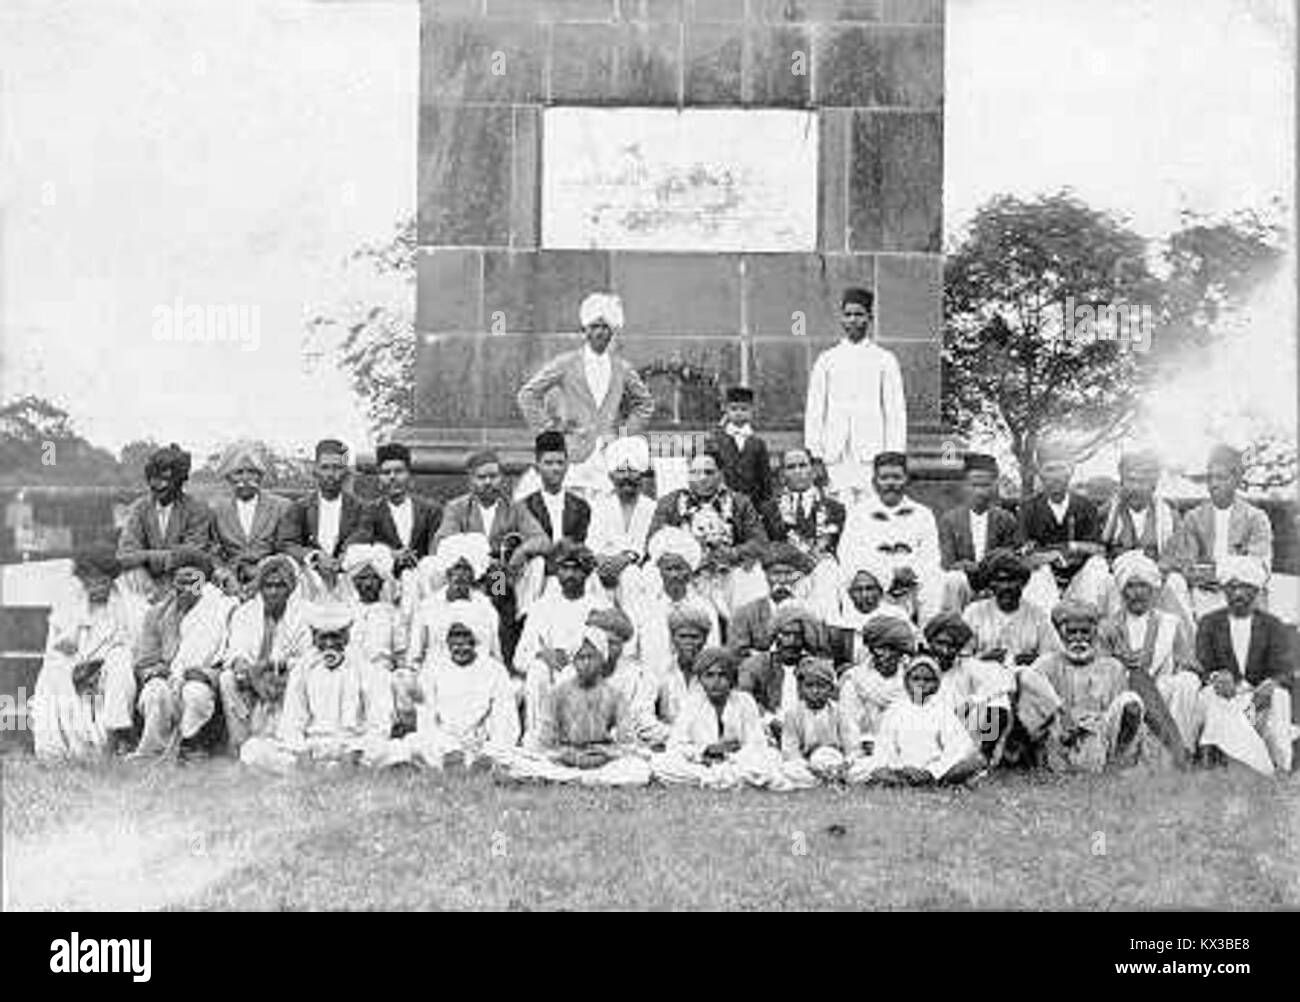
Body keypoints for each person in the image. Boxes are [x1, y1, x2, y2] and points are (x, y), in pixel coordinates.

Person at [516, 292, 656, 498]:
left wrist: (623, 435)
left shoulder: (622, 368)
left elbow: (645, 404)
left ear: (613, 332)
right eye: (594, 327)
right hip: (573, 455)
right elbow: (528, 395)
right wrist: (550, 434)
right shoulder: (566, 363)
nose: (600, 332)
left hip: (608, 456)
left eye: (605, 327)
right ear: (585, 331)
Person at [239, 603, 400, 773]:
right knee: (252, 750)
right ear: (314, 637)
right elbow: (292, 722)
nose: (329, 644)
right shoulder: (303, 668)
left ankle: (342, 768)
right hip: (313, 749)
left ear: (347, 636)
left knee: (398, 750)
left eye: (335, 637)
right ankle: (323, 769)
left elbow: (380, 723)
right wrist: (301, 752)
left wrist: (357, 750)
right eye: (323, 637)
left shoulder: (366, 667)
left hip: (354, 747)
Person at [433, 449, 550, 662]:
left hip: (502, 574)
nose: (488, 482)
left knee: (535, 565)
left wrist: (522, 551)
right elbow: (442, 542)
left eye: (494, 476)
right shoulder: (457, 508)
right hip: (468, 575)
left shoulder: (514, 508)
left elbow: (542, 540)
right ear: (470, 480)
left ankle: (519, 626)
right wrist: (475, 556)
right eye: (482, 477)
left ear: (501, 478)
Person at [32, 547, 147, 760]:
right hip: (76, 669)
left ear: (112, 580)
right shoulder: (69, 606)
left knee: (119, 662)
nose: (95, 587)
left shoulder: (129, 607)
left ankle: (115, 737)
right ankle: (56, 749)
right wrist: (74, 666)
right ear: (82, 580)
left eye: (101, 581)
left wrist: (100, 664)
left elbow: (134, 648)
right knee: (51, 675)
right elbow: (55, 651)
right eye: (89, 581)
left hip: (108, 671)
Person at [499, 628, 652, 787]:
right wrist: (564, 755)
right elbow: (544, 741)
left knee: (639, 769)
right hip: (564, 761)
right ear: (573, 660)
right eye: (580, 658)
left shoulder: (615, 695)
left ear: (602, 659)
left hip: (603, 762)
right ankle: (582, 780)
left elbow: (627, 743)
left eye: (591, 657)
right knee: (514, 757)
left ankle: (572, 780)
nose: (586, 663)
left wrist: (605, 755)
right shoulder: (558, 694)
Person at [130, 548, 237, 760]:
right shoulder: (156, 614)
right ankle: (153, 752)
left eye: (192, 579)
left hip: (201, 681)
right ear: (171, 581)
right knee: (155, 692)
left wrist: (206, 674)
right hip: (166, 680)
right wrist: (155, 672)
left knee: (195, 692)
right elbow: (144, 662)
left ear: (205, 582)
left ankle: (191, 747)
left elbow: (228, 658)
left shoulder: (221, 609)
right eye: (180, 580)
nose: (186, 587)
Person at [804, 286, 907, 504]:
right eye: (847, 315)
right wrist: (815, 455)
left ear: (870, 318)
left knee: (869, 510)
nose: (852, 320)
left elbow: (895, 412)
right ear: (841, 319)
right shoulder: (826, 359)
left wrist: (893, 457)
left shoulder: (885, 359)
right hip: (835, 453)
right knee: (835, 510)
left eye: (859, 314)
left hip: (871, 453)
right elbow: (815, 411)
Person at [1096, 551, 1200, 765]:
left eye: (1142, 586)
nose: (1137, 593)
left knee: (1188, 682)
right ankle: (1176, 752)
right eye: (1131, 586)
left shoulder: (1170, 623)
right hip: (1125, 691)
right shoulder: (1108, 627)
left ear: (1153, 589)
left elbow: (1188, 663)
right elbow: (1100, 669)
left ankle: (1181, 749)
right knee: (1134, 684)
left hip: (1164, 691)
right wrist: (1120, 662)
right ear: (1122, 590)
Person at [515, 541, 629, 736]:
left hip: (586, 675)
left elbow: (611, 654)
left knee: (573, 675)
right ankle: (538, 738)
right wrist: (542, 654)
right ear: (556, 572)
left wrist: (580, 663)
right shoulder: (541, 607)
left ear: (585, 573)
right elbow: (519, 658)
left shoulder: (600, 607)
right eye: (564, 569)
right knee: (536, 672)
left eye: (575, 569)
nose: (569, 575)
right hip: (549, 673)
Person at [1194, 556, 1295, 775]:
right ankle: (1212, 762)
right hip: (1222, 694)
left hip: (1256, 701)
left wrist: (1271, 683)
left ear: (1257, 591)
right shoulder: (1209, 623)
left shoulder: (1273, 625)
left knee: (1280, 698)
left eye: (1246, 588)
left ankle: (1280, 767)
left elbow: (1286, 668)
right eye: (1232, 587)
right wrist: (1216, 676)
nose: (1238, 594)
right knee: (1213, 697)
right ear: (1224, 591)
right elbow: (1201, 662)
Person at [648, 448, 768, 620]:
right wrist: (688, 556)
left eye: (709, 472)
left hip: (728, 572)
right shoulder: (670, 502)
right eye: (695, 472)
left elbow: (759, 541)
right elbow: (654, 541)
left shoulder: (739, 502)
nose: (702, 478)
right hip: (686, 575)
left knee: (753, 574)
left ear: (720, 474)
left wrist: (734, 553)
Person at [1034, 601, 1145, 774]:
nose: (1079, 638)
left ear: (1094, 633)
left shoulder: (1112, 667)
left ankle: (1117, 763)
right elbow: (1035, 709)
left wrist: (1089, 727)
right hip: (1059, 739)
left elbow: (1115, 715)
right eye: (1072, 632)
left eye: (1084, 632)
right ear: (1061, 634)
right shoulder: (1045, 665)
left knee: (1131, 701)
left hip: (1099, 737)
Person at [216, 555, 310, 758]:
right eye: (267, 586)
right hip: (252, 675)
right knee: (227, 679)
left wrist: (273, 667)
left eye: (280, 586)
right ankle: (239, 742)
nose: (273, 591)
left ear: (291, 588)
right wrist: (245, 667)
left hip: (287, 677)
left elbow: (308, 657)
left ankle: (289, 739)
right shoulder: (245, 612)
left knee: (299, 678)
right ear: (260, 587)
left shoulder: (303, 614)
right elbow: (236, 651)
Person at [651, 647, 784, 790]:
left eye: (722, 675)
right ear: (700, 679)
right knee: (662, 763)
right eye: (709, 675)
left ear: (731, 679)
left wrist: (728, 756)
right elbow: (675, 745)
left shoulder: (745, 701)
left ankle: (715, 780)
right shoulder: (691, 703)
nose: (716, 681)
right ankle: (725, 780)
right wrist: (705, 750)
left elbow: (756, 744)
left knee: (771, 757)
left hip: (736, 763)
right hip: (702, 765)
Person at [838, 452, 942, 623]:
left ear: (906, 480)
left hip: (913, 585)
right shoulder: (859, 513)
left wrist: (911, 573)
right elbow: (849, 555)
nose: (891, 483)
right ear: (874, 482)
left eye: (896, 477)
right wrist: (887, 576)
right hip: (874, 585)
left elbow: (931, 557)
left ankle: (926, 639)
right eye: (884, 478)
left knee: (935, 581)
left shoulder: (923, 514)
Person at [401, 621, 520, 770]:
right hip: (443, 741)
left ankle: (480, 762)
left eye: (465, 644)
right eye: (455, 644)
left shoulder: (494, 669)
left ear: (474, 644)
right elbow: (426, 716)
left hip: (479, 742)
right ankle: (453, 759)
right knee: (413, 742)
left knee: (505, 754)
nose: (460, 650)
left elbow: (504, 717)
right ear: (448, 645)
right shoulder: (433, 668)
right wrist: (445, 744)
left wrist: (490, 746)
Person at [1174, 445, 1274, 619]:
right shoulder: (1193, 518)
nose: (1213, 484)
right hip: (1204, 592)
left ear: (1236, 480)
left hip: (1242, 592)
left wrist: (1220, 573)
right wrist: (1232, 568)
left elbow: (1259, 567)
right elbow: (1187, 565)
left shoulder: (1256, 518)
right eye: (1210, 478)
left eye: (1221, 478)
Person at [1018, 441, 1114, 618]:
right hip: (1046, 580)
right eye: (1050, 469)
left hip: (1079, 577)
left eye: (1061, 468)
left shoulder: (1085, 506)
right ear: (1040, 472)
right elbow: (1024, 555)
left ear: (1070, 471)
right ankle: (1047, 631)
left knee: (1098, 566)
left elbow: (1098, 549)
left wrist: (1069, 547)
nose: (1056, 476)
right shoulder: (1028, 508)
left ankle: (1088, 625)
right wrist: (1047, 557)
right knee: (1038, 572)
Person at [865, 656, 985, 786]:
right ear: (906, 681)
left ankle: (930, 781)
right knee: (875, 770)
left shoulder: (943, 710)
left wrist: (931, 771)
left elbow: (955, 748)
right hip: (903, 769)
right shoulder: (895, 710)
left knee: (975, 762)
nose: (921, 683)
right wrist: (902, 768)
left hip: (936, 768)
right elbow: (886, 748)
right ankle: (909, 781)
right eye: (916, 679)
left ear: (936, 684)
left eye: (928, 680)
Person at [116, 443, 214, 599]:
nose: (158, 485)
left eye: (165, 479)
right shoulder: (139, 508)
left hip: (185, 583)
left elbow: (191, 556)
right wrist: (168, 558)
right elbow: (125, 555)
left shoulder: (198, 510)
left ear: (179, 481)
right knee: (131, 577)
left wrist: (146, 557)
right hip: (146, 585)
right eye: (154, 478)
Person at [759, 447, 847, 619]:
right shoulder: (769, 509)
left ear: (813, 470)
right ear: (782, 474)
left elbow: (838, 547)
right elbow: (767, 546)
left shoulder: (835, 508)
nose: (798, 472)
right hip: (784, 572)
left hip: (821, 572)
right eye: (791, 467)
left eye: (802, 465)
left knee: (827, 572)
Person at [623, 527, 720, 678]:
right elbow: (629, 655)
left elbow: (712, 655)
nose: (674, 575)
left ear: (689, 570)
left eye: (679, 568)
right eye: (669, 569)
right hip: (649, 685)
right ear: (659, 570)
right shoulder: (641, 606)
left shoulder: (705, 608)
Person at [276, 438, 365, 601]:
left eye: (337, 468)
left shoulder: (359, 508)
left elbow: (363, 535)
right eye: (325, 467)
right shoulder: (300, 507)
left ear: (345, 471)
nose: (331, 474)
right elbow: (286, 543)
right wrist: (314, 556)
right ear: (315, 471)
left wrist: (345, 556)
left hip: (347, 574)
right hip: (310, 577)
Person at [923, 613, 1014, 763]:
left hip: (961, 729)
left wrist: (972, 702)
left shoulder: (967, 666)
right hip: (926, 730)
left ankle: (984, 756)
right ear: (930, 642)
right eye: (940, 643)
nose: (945, 651)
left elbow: (1005, 681)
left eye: (952, 646)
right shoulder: (920, 669)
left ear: (959, 648)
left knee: (998, 701)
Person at [207, 441, 294, 597]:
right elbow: (213, 553)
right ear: (228, 476)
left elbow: (286, 549)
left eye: (251, 472)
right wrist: (225, 577)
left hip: (273, 580)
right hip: (231, 582)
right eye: (239, 472)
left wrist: (263, 576)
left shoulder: (282, 507)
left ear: (260, 475)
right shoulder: (216, 509)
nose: (245, 478)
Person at [937, 453, 1020, 612]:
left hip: (996, 582)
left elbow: (1010, 556)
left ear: (994, 486)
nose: (980, 492)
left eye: (986, 485)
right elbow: (947, 561)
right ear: (964, 486)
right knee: (954, 580)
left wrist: (991, 573)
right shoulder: (950, 519)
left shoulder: (1006, 519)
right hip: (964, 582)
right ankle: (954, 627)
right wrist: (969, 567)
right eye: (974, 485)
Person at [350, 442, 443, 581]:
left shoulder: (431, 510)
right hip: (384, 584)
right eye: (386, 472)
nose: (392, 477)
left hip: (423, 583)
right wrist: (391, 555)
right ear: (379, 478)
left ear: (409, 475)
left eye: (399, 471)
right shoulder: (369, 511)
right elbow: (358, 547)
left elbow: (437, 552)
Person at [339, 544, 404, 738]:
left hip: (381, 671)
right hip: (348, 670)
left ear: (382, 582)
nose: (368, 584)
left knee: (381, 694)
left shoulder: (391, 613)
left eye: (373, 578)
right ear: (354, 582)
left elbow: (400, 653)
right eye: (362, 578)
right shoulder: (344, 610)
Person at [777, 657, 870, 788]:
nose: (815, 691)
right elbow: (790, 751)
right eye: (809, 686)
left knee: (867, 765)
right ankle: (828, 782)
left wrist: (844, 765)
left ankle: (834, 779)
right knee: (786, 769)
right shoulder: (793, 714)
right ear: (801, 689)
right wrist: (810, 767)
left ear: (831, 689)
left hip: (838, 764)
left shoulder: (840, 712)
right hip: (809, 768)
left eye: (821, 686)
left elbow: (853, 748)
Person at [629, 605, 711, 748]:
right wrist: (677, 736)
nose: (688, 642)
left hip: (707, 745)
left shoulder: (715, 671)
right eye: (682, 636)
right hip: (667, 747)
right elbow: (641, 716)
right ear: (672, 638)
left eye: (695, 637)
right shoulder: (658, 670)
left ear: (705, 639)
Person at [738, 603, 829, 732]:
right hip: (763, 731)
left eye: (798, 635)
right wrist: (770, 720)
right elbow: (744, 699)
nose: (792, 641)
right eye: (786, 634)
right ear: (776, 636)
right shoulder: (755, 665)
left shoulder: (814, 667)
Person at [588, 435, 658, 601]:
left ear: (641, 475)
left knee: (631, 575)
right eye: (620, 471)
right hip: (602, 567)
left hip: (639, 570)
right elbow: (593, 541)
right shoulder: (599, 506)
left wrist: (627, 558)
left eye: (632, 471)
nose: (626, 477)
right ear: (611, 476)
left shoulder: (653, 508)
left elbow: (650, 544)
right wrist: (602, 561)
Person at [728, 543, 818, 658]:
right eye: (776, 574)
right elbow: (737, 651)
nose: (782, 580)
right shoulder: (747, 613)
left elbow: (816, 650)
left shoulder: (807, 612)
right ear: (765, 574)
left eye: (788, 574)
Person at [838, 615, 914, 747]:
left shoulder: (913, 679)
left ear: (901, 652)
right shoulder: (855, 680)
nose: (883, 654)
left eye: (890, 649)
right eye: (878, 648)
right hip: (864, 751)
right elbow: (849, 727)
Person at [827, 559, 913, 668]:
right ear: (850, 593)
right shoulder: (841, 619)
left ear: (880, 591)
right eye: (858, 590)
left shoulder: (896, 615)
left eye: (870, 588)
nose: (864, 595)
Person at [520, 430, 591, 546]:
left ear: (567, 465)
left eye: (560, 463)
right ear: (537, 466)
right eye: (548, 463)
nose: (555, 469)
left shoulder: (581, 507)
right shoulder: (526, 506)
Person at [706, 386, 772, 509]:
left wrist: (766, 504)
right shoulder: (715, 441)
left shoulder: (758, 443)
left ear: (751, 411)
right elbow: (709, 471)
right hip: (722, 502)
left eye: (744, 409)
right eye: (734, 409)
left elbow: (765, 478)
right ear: (726, 410)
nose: (739, 413)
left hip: (753, 503)